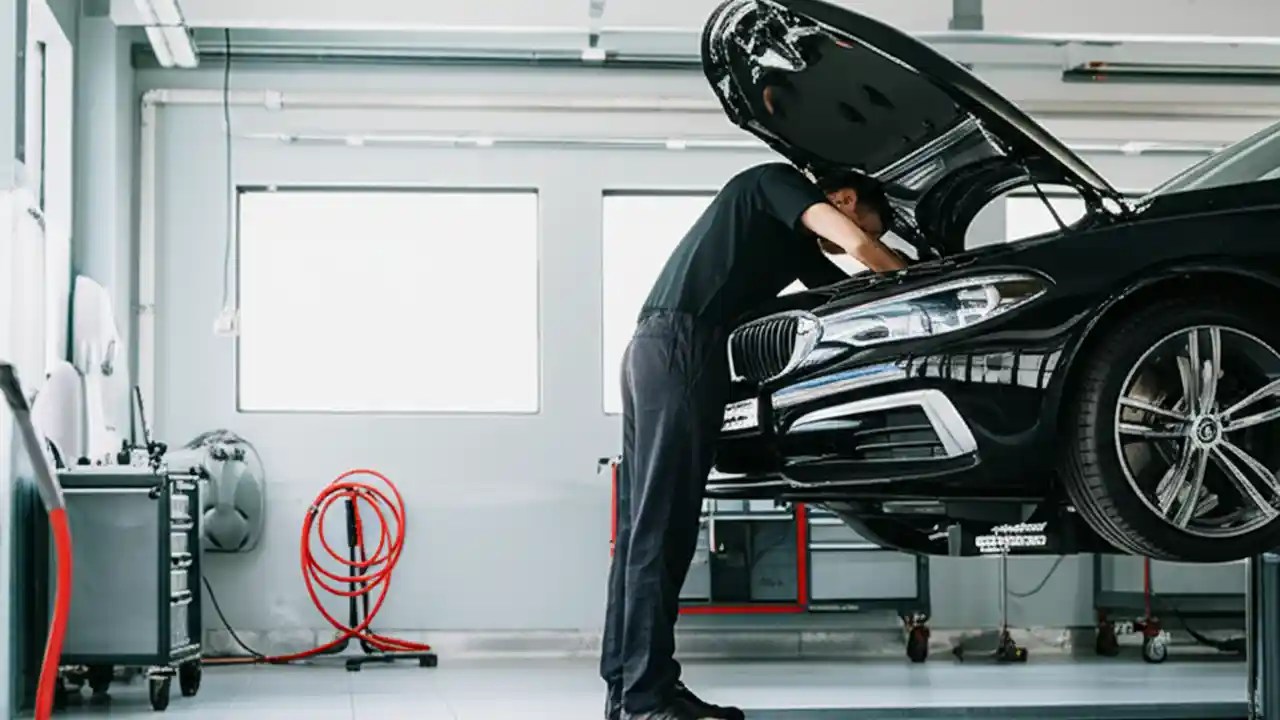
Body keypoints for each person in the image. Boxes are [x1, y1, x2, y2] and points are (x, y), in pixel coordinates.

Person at [601, 162, 907, 720]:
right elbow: (862, 250)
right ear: (843, 199)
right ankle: (647, 698)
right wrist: (911, 280)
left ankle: (628, 692)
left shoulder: (791, 244)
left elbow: (847, 295)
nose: (858, 238)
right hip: (683, 347)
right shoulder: (776, 182)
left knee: (641, 532)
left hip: (653, 348)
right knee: (663, 530)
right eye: (869, 222)